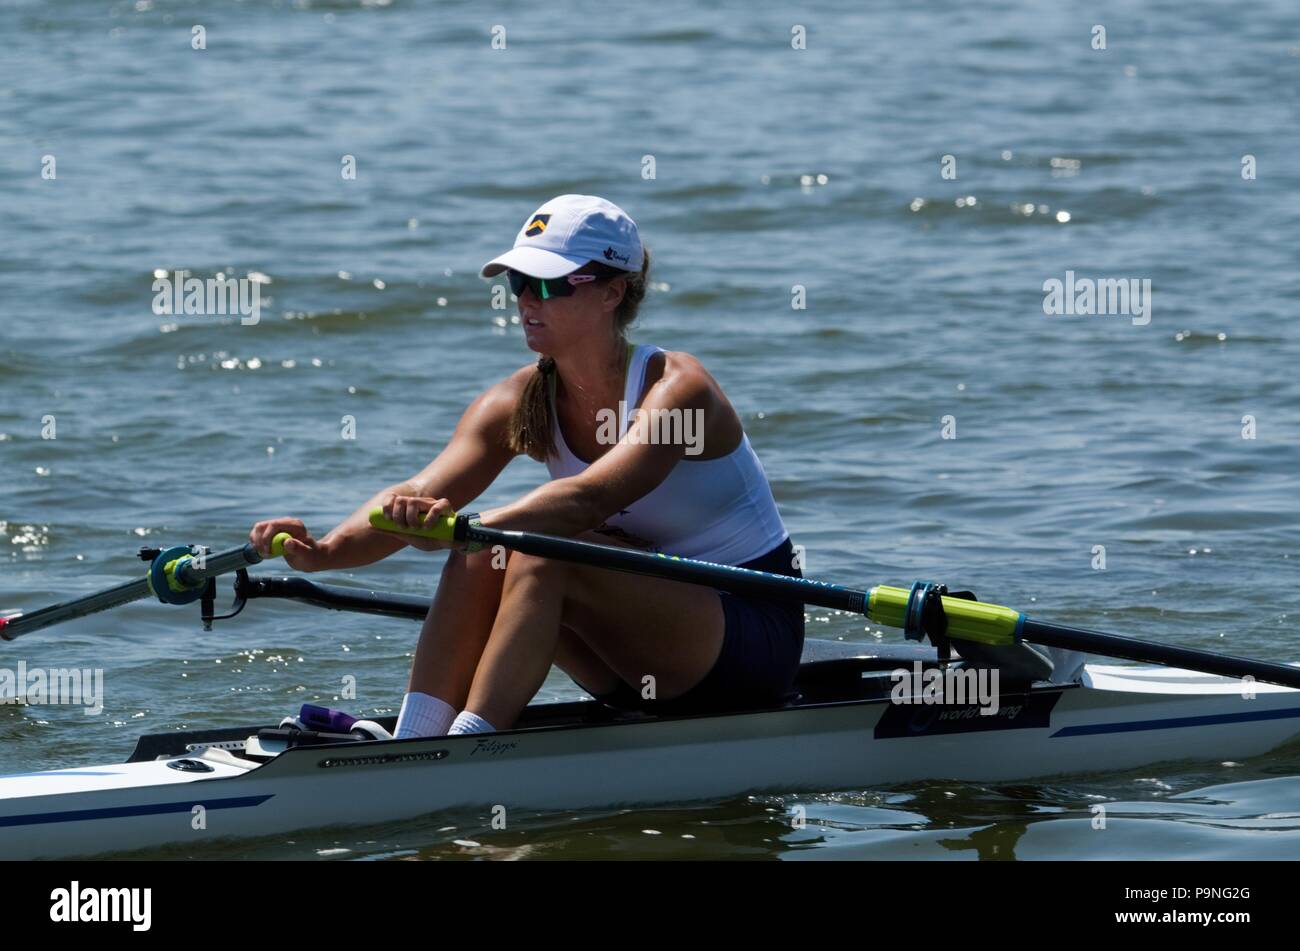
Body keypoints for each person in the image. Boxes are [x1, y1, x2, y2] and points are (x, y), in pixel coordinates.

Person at [249, 194, 803, 738]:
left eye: (548, 285)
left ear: (612, 292)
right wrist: (324, 551)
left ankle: (466, 750)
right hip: (635, 660)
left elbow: (588, 498)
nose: (526, 301)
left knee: (531, 546)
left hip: (750, 643)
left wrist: (471, 530)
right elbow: (418, 489)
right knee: (488, 554)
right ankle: (417, 743)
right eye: (518, 284)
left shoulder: (679, 390)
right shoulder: (518, 399)